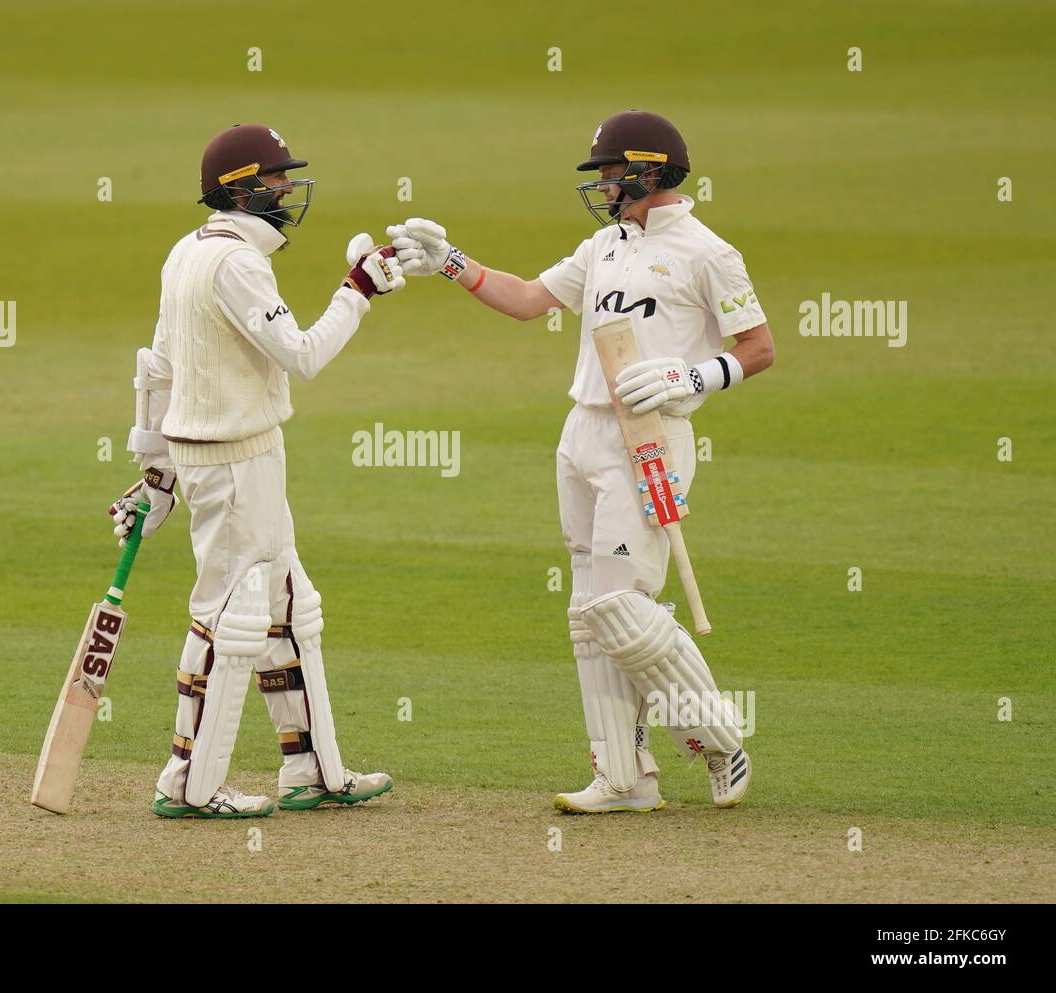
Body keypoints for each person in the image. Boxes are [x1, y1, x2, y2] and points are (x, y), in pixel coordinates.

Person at [389, 110, 774, 812]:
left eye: (609, 172)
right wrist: (451, 262)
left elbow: (759, 347)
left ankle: (719, 739)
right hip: (582, 433)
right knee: (587, 613)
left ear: (650, 171)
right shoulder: (602, 245)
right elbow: (531, 300)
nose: (601, 184)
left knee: (621, 606)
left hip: (650, 438)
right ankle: (623, 779)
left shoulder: (708, 252)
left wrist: (689, 380)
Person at [112, 123, 399, 818]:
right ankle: (187, 780)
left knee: (291, 609)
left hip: (230, 456)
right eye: (274, 180)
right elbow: (301, 354)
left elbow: (158, 366)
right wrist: (358, 289)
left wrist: (155, 471)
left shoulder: (187, 252)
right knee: (232, 614)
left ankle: (313, 769)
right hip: (236, 461)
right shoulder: (236, 263)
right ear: (241, 189)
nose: (286, 190)